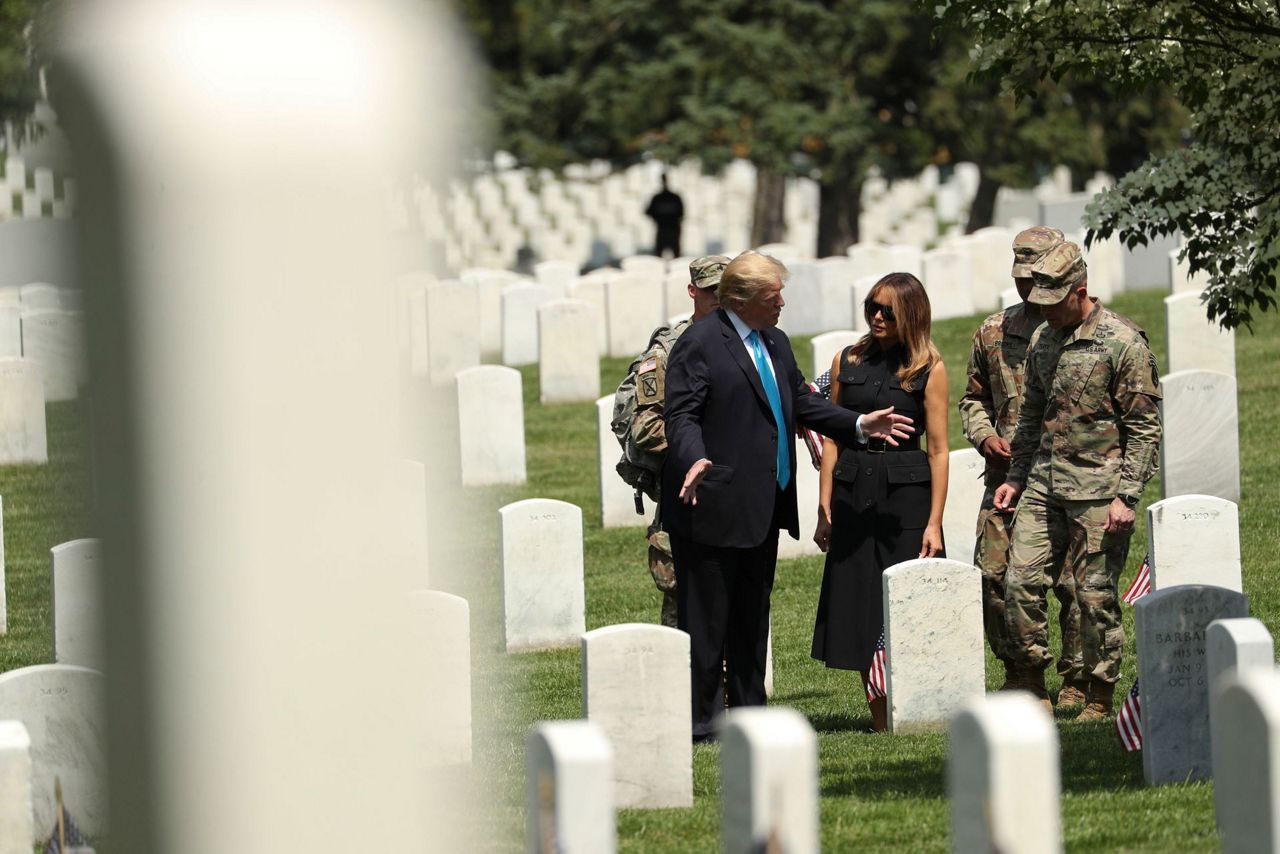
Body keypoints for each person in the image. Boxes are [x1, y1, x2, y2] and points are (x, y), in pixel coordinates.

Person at [662, 251, 915, 742]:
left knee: (752, 619)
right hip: (711, 502)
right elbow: (683, 415)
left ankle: (752, 719)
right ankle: (702, 725)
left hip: (763, 502)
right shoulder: (699, 344)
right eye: (773, 294)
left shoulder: (774, 341)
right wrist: (692, 457)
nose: (782, 302)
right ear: (743, 299)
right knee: (708, 622)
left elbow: (801, 401)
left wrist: (860, 424)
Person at [994, 242, 1162, 719]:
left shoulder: (1123, 343)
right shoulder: (1043, 340)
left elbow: (1144, 429)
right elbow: (1031, 417)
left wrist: (1127, 497)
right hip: (1044, 483)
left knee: (1093, 596)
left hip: (1100, 491)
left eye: (1053, 302)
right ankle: (1032, 681)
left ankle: (1099, 692)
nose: (1043, 312)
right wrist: (1017, 477)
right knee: (1020, 582)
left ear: (1080, 291)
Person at [810, 273, 949, 732]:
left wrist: (934, 523)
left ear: (911, 313)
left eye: (888, 310)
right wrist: (824, 506)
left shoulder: (929, 368)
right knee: (857, 600)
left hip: (905, 498)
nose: (877, 316)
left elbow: (938, 449)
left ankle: (915, 701)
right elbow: (832, 437)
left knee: (907, 599)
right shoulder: (846, 360)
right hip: (852, 491)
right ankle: (878, 711)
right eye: (872, 306)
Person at [959, 226, 1087, 708]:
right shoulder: (994, 332)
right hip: (1006, 479)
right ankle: (1023, 673)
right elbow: (973, 398)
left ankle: (1077, 678)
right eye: (1020, 278)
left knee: (1074, 584)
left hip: (1069, 477)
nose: (1026, 287)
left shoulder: (1081, 330)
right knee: (994, 577)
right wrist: (984, 434)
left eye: (1034, 277)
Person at [627, 255, 730, 628]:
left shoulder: (747, 342)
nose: (720, 297)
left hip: (733, 493)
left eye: (727, 289)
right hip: (686, 493)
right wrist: (701, 451)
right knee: (683, 605)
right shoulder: (667, 353)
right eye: (710, 290)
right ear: (692, 291)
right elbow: (646, 429)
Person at [645, 173, 684, 258]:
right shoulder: (671, 197)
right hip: (665, 229)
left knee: (674, 255)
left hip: (669, 229)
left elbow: (681, 214)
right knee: (660, 256)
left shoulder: (667, 197)